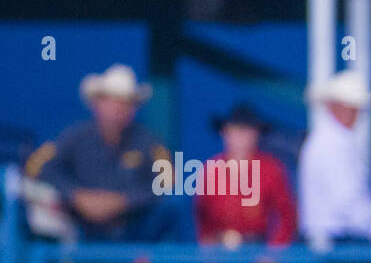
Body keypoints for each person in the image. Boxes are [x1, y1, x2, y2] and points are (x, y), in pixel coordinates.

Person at [25, 63, 179, 242]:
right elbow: (37, 168)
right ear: (96, 104)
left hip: (132, 231)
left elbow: (168, 182)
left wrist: (123, 201)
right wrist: (76, 196)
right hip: (80, 229)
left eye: (125, 102)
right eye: (111, 101)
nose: (117, 109)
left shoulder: (149, 142)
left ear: (134, 108)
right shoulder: (75, 136)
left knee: (174, 205)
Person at [298, 69, 371, 249]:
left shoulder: (332, 141)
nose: (355, 113)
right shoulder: (331, 145)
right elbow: (347, 197)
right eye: (350, 106)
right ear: (333, 106)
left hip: (339, 239)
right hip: (338, 241)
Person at [197, 102, 297, 248]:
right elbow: (202, 216)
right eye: (235, 131)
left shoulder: (271, 169)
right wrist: (207, 249)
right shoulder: (211, 169)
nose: (240, 138)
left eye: (246, 132)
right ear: (224, 133)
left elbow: (287, 216)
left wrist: (274, 252)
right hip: (220, 250)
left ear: (256, 135)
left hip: (255, 249)